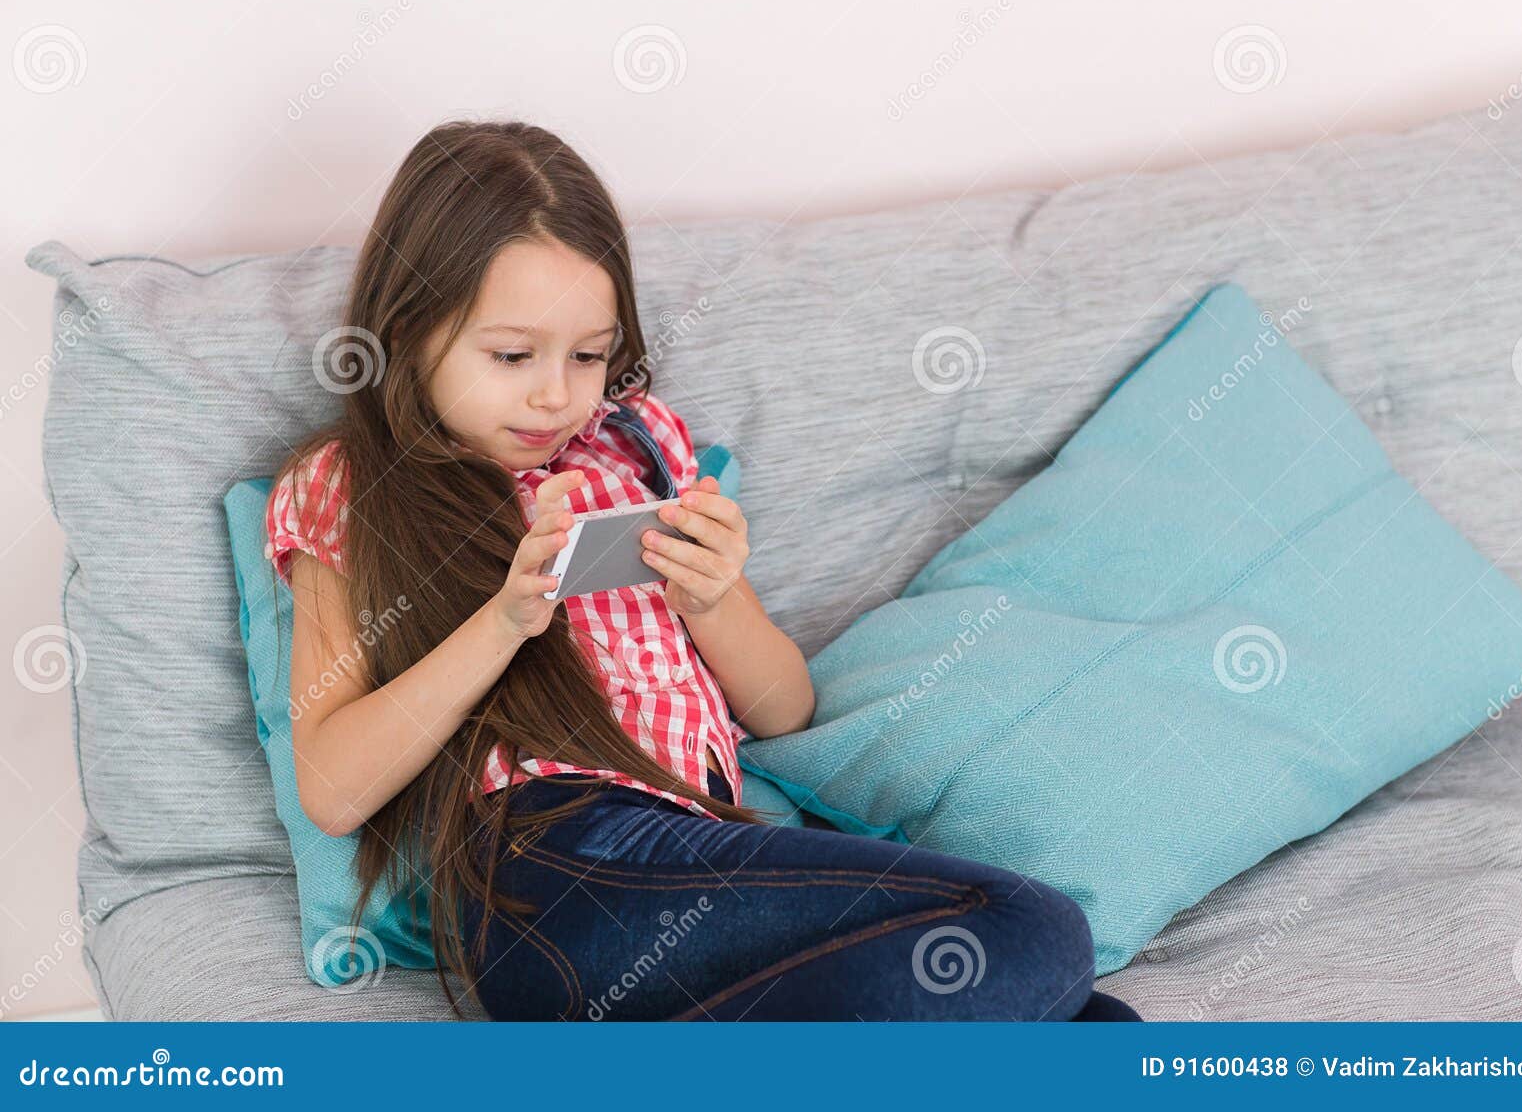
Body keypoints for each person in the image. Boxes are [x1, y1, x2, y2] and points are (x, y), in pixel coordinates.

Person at [265, 120, 1140, 1022]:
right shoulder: (353, 485)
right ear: (409, 331)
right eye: (512, 355)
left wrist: (714, 600)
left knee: (1093, 1023)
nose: (555, 394)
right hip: (557, 875)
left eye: (590, 354)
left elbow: (784, 708)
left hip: (695, 857)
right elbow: (332, 787)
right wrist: (502, 620)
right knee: (1035, 929)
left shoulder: (639, 449)